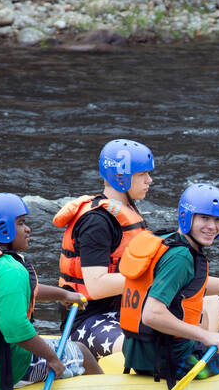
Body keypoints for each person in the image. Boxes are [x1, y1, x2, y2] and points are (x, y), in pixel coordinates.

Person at [0, 193, 101, 390]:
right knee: (81, 351)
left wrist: (65, 295)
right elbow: (15, 327)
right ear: (3, 227)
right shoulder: (9, 270)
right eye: (21, 223)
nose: (28, 229)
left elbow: (12, 294)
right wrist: (52, 358)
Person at [120, 183, 219, 384]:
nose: (212, 226)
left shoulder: (167, 240)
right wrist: (205, 336)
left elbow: (197, 284)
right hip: (177, 362)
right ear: (186, 216)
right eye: (204, 217)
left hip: (141, 356)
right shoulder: (181, 257)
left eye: (218, 220)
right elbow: (152, 314)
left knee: (206, 315)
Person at [53, 138, 153, 359]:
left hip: (126, 310)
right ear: (121, 177)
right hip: (87, 322)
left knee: (209, 305)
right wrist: (155, 278)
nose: (150, 180)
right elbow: (96, 286)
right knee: (141, 346)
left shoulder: (127, 210)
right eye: (142, 175)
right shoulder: (96, 222)